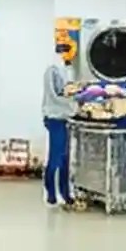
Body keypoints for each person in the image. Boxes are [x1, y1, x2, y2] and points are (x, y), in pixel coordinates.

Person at [42, 55, 77, 206]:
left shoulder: (69, 69)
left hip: (66, 118)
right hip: (54, 117)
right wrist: (72, 95)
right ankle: (50, 193)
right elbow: (54, 94)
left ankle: (65, 193)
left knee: (65, 159)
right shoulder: (52, 69)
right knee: (56, 157)